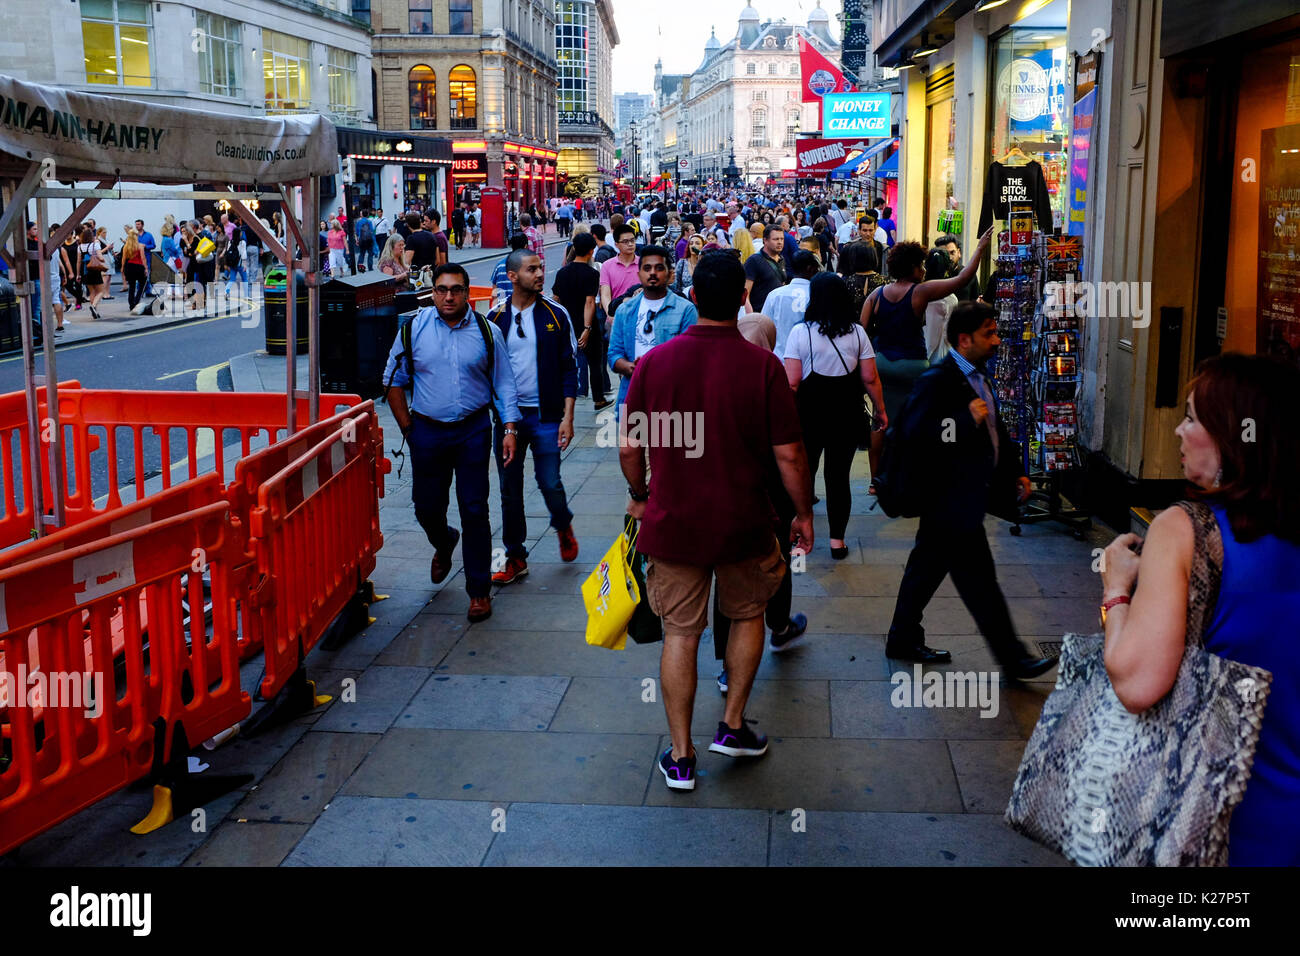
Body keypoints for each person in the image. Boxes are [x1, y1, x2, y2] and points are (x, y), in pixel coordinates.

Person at [620, 250, 815, 792]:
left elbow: (630, 446)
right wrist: (802, 512)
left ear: (694, 297)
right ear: (744, 298)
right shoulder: (763, 368)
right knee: (749, 613)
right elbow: (790, 455)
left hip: (675, 521)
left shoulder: (656, 364)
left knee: (680, 633)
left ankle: (681, 757)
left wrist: (640, 493)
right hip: (745, 522)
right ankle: (731, 724)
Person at [1098, 353, 1300, 866]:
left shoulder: (1185, 530)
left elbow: (1137, 682)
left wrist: (1117, 591)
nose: (1179, 432)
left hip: (1224, 829)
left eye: (1191, 417)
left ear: (1233, 436)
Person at [884, 301, 1053, 679]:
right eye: (988, 333)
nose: (996, 340)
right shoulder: (939, 379)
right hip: (949, 499)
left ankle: (902, 637)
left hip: (964, 496)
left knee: (925, 570)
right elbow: (917, 434)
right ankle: (1014, 659)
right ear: (964, 340)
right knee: (980, 583)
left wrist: (1015, 471)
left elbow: (994, 429)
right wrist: (963, 419)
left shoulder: (978, 374)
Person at [382, 263, 521, 624]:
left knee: (475, 509)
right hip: (426, 431)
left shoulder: (488, 332)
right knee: (426, 507)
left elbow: (504, 383)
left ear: (466, 293)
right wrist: (409, 429)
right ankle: (444, 542)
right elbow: (392, 381)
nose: (448, 296)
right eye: (442, 289)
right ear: (432, 292)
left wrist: (509, 428)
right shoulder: (413, 330)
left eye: (456, 290)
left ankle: (478, 592)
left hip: (473, 429)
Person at [487, 249, 581, 585]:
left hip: (547, 417)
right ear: (512, 276)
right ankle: (515, 557)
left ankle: (562, 523)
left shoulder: (556, 315)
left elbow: (570, 369)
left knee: (549, 481)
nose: (540, 274)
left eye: (541, 268)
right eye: (532, 269)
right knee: (509, 490)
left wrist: (568, 417)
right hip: (509, 420)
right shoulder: (496, 318)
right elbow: (491, 371)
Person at [784, 272, 885, 560]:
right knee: (838, 478)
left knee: (805, 473)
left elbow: (791, 383)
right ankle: (837, 541)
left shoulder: (800, 333)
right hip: (846, 415)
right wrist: (880, 411)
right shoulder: (857, 333)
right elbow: (870, 378)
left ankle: (801, 534)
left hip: (809, 416)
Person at [861, 230, 992, 424]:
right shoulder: (920, 292)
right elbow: (962, 279)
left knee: (881, 418)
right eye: (920, 265)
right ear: (911, 267)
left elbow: (861, 331)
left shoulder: (877, 294)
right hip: (913, 365)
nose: (923, 270)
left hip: (883, 364)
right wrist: (980, 248)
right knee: (914, 419)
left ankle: (881, 453)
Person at [607, 245, 697, 409]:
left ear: (669, 273)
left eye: (659, 268)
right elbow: (614, 354)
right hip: (633, 399)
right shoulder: (625, 311)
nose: (653, 273)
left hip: (673, 403)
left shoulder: (685, 309)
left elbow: (691, 359)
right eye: (647, 268)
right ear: (639, 274)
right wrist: (630, 367)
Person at [553, 232, 611, 410]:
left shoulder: (562, 272)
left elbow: (556, 299)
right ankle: (599, 399)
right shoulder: (592, 273)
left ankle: (562, 400)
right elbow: (589, 302)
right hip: (587, 324)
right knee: (595, 362)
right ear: (591, 251)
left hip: (566, 323)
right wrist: (586, 328)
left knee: (565, 363)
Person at [766, 250, 818, 359]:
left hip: (780, 358)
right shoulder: (818, 294)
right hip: (812, 360)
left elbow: (765, 327)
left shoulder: (775, 295)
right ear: (810, 268)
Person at [598, 224, 640, 319]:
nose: (630, 244)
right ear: (616, 244)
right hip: (617, 316)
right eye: (625, 241)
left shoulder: (644, 264)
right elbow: (605, 294)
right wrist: (610, 315)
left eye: (632, 240)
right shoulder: (607, 266)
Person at [924, 248, 958, 365]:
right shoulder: (950, 298)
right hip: (940, 355)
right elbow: (949, 333)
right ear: (946, 269)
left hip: (917, 353)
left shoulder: (917, 293)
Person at [743, 225, 788, 313]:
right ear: (765, 240)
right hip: (759, 313)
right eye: (775, 239)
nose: (780, 242)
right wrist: (750, 316)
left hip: (777, 313)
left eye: (782, 239)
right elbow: (745, 293)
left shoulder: (781, 259)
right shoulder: (754, 260)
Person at [77, 223, 107, 319]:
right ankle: (93, 306)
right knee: (101, 291)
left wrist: (78, 274)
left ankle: (95, 312)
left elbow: (78, 262)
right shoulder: (95, 245)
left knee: (92, 292)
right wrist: (102, 260)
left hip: (85, 271)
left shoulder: (80, 247)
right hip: (95, 270)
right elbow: (101, 258)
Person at [492, 234, 530, 305]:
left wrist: (499, 309)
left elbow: (495, 289)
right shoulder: (527, 267)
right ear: (526, 246)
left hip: (503, 308)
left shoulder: (500, 265)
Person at [121, 227, 150, 313]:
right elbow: (143, 258)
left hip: (129, 267)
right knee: (141, 286)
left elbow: (124, 258)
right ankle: (136, 301)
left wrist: (122, 267)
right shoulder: (140, 246)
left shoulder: (126, 246)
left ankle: (131, 305)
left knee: (132, 287)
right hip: (139, 267)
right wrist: (146, 268)